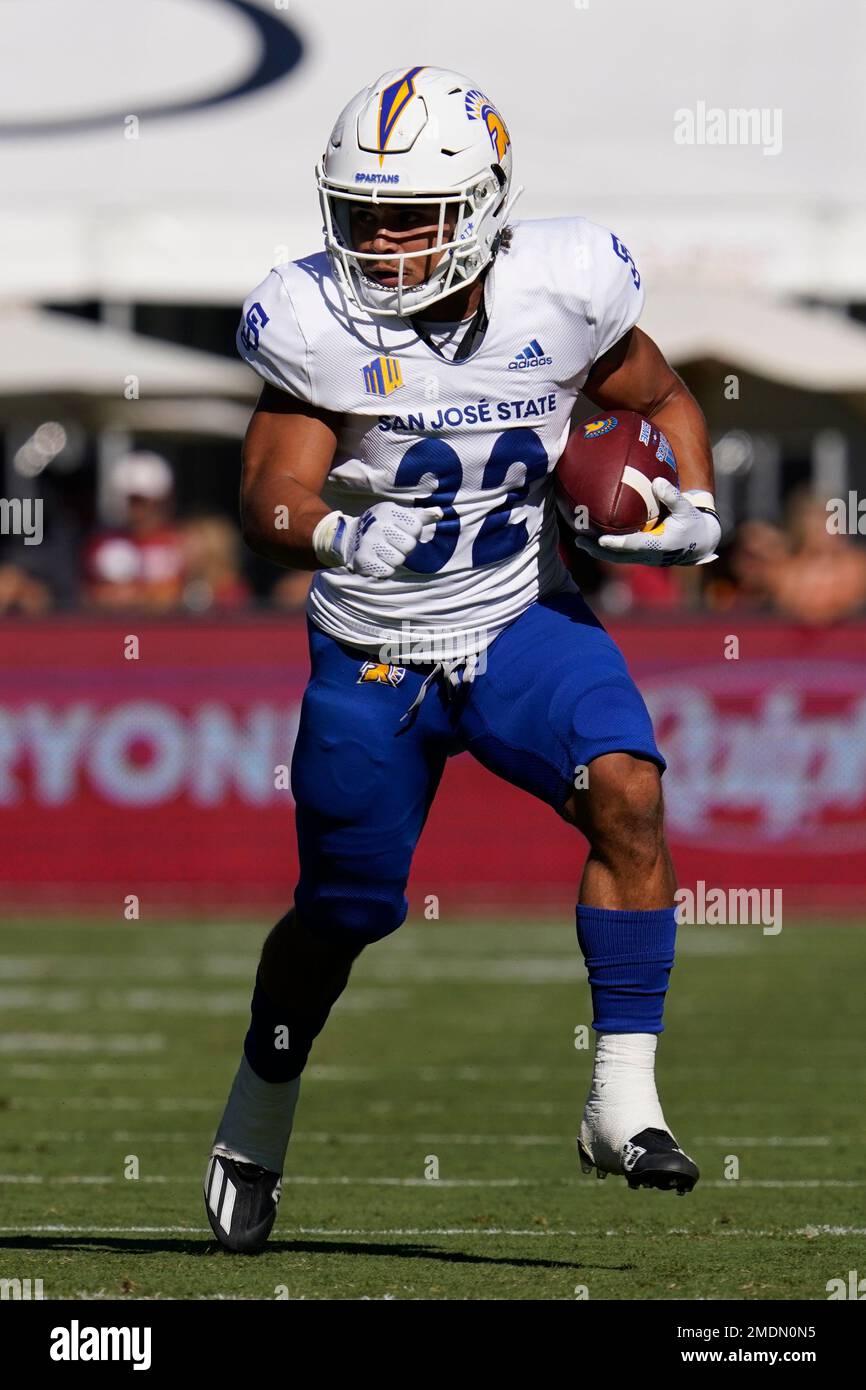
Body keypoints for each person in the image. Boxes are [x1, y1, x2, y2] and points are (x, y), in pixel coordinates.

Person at [204, 66, 721, 1252]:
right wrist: (334, 527)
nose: (378, 244)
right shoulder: (315, 319)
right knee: (343, 912)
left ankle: (621, 1102)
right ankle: (259, 1102)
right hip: (372, 652)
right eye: (360, 214)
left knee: (628, 790)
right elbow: (262, 495)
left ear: (483, 206)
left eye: (408, 216)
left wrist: (689, 505)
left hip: (512, 619)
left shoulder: (565, 288)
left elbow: (663, 389)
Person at [83, 452, 185, 611]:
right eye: (129, 500)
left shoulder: (180, 543)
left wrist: (141, 596)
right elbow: (86, 596)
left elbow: (185, 595)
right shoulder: (102, 544)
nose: (134, 508)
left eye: (140, 500)